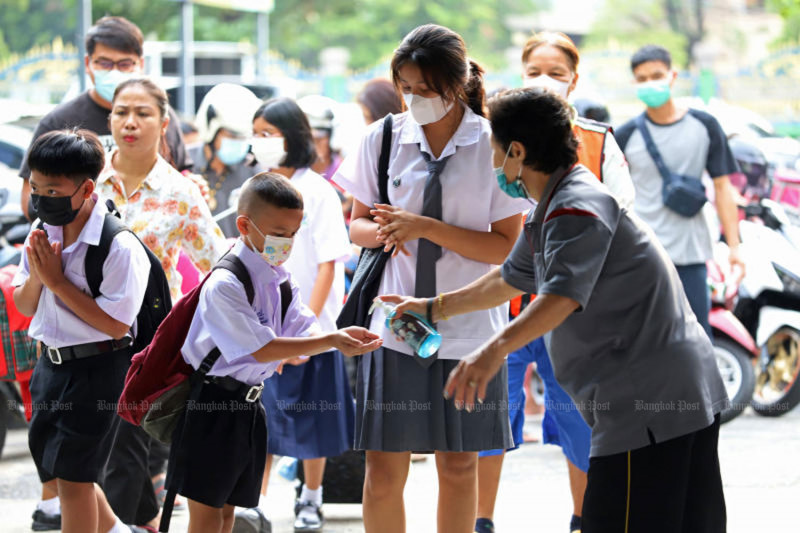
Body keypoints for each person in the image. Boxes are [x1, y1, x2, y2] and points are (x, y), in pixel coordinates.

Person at [386, 87, 729, 533]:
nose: (492, 163)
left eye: (493, 150)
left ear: (516, 151)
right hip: (673, 392)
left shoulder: (577, 206)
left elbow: (560, 297)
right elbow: (509, 278)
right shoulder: (552, 205)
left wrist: (491, 352)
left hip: (648, 402)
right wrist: (433, 308)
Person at [332, 24, 526, 533]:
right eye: (407, 88)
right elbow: (356, 226)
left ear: (457, 85)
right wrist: (387, 232)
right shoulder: (383, 138)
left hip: (471, 327)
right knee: (383, 466)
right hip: (394, 325)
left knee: (460, 464)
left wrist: (427, 228)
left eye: (427, 89)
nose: (415, 98)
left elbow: (508, 246)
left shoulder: (495, 145)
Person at [475, 31, 636, 533]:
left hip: (572, 311)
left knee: (578, 423)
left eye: (556, 73)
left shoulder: (598, 141)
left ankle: (582, 519)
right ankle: (480, 520)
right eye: (534, 72)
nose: (544, 81)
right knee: (487, 422)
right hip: (501, 303)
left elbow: (621, 216)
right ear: (519, 74)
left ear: (575, 80)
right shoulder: (490, 139)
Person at [166, 172, 381, 533]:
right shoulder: (224, 284)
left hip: (248, 407)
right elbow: (263, 347)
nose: (288, 243)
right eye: (280, 234)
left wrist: (332, 336)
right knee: (205, 516)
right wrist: (330, 341)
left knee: (228, 514)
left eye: (294, 234)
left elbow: (302, 325)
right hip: (210, 406)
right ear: (244, 225)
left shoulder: (277, 276)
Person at [91, 77, 230, 529]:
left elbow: (218, 262)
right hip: (82, 333)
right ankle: (142, 521)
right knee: (82, 452)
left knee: (124, 452)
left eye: (143, 113)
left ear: (163, 122)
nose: (129, 123)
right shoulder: (88, 179)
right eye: (120, 113)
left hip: (144, 343)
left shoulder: (180, 193)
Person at [12, 129, 151, 533]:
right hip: (51, 366)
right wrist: (40, 278)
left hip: (98, 371)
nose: (41, 198)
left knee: (73, 479)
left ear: (87, 187)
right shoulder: (43, 227)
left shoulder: (120, 246)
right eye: (36, 187)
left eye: (53, 189)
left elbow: (116, 324)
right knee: (58, 471)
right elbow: (24, 304)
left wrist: (57, 283)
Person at [615, 44, 744, 338]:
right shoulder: (624, 136)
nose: (650, 83)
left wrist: (735, 248)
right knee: (644, 341)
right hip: (642, 254)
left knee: (696, 339)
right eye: (642, 78)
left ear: (672, 76)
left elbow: (723, 188)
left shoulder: (705, 125)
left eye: (656, 75)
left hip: (691, 254)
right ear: (635, 83)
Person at [18, 16, 190, 222]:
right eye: (105, 63)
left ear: (141, 64)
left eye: (125, 64)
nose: (131, 123)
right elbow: (31, 195)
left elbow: (183, 174)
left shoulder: (160, 116)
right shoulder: (58, 122)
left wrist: (193, 187)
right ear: (88, 63)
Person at [192, 83, 264, 238]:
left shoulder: (254, 173)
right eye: (232, 136)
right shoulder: (182, 164)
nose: (238, 142)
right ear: (210, 129)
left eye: (244, 137)